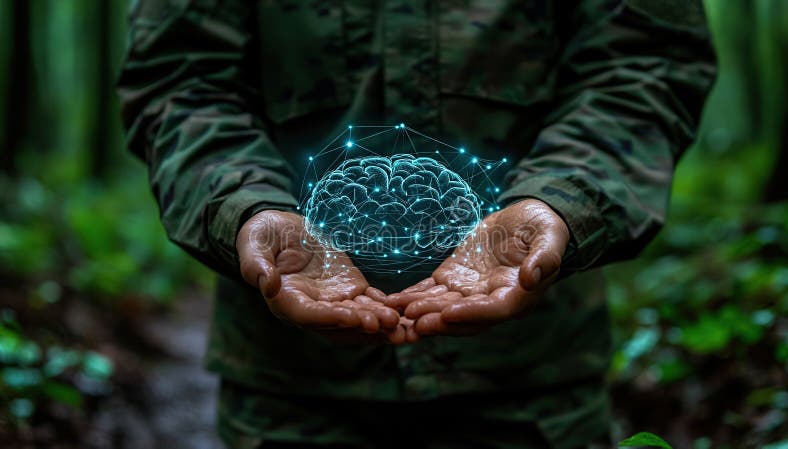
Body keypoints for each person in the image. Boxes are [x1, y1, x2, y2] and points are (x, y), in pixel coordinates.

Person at [118, 0, 716, 447]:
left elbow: (644, 64)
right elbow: (181, 79)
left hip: (530, 382)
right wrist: (247, 207)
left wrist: (563, 202)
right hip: (290, 385)